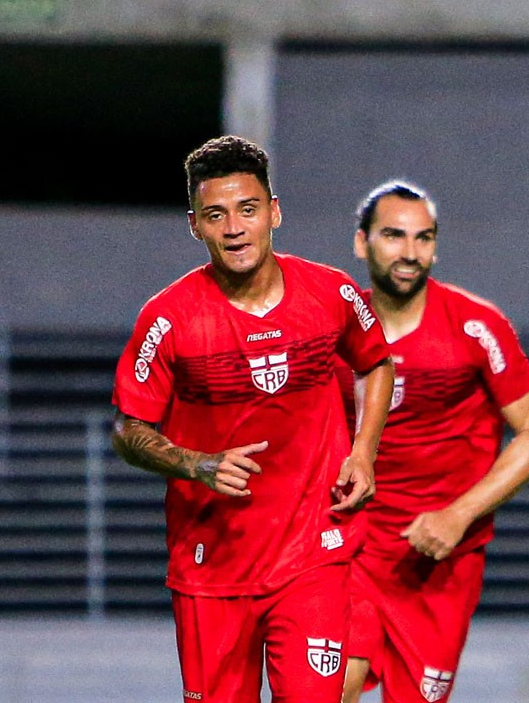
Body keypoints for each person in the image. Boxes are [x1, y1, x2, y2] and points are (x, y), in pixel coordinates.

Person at [110, 135, 395, 703]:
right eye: (216, 215)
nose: (235, 228)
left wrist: (363, 452)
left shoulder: (331, 292)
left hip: (313, 552)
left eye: (248, 209)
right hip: (211, 565)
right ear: (196, 226)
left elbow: (375, 363)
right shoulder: (169, 319)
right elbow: (127, 428)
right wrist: (196, 464)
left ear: (274, 212)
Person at [338, 180, 529, 703]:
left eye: (424, 238)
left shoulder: (475, 327)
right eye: (393, 235)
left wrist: (458, 516)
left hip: (439, 557)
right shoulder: (334, 327)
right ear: (362, 243)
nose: (410, 252)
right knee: (329, 683)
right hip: (352, 546)